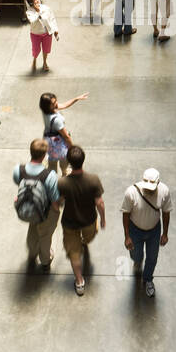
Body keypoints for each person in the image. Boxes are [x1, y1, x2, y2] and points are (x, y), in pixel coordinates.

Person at [58, 146, 106, 297]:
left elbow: (58, 202)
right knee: (88, 238)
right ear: (83, 160)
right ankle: (84, 242)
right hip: (89, 221)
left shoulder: (63, 183)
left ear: (69, 162)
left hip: (70, 223)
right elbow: (99, 203)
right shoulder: (93, 180)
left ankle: (79, 281)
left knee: (74, 254)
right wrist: (102, 219)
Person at [122, 167, 171, 298]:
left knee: (152, 257)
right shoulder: (131, 192)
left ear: (158, 182)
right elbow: (126, 214)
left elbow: (166, 213)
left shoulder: (164, 191)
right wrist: (127, 236)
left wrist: (165, 233)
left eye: (152, 187)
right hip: (135, 229)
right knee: (136, 255)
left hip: (154, 230)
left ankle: (148, 279)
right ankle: (137, 261)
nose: (149, 189)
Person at [14, 138, 61, 272]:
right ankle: (45, 261)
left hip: (28, 208)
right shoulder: (49, 176)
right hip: (45, 212)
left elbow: (18, 184)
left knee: (32, 230)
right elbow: (54, 200)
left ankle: (32, 253)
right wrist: (56, 213)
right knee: (45, 236)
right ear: (44, 155)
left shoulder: (19, 170)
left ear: (31, 152)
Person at [39, 91, 88, 175]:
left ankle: (52, 181)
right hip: (59, 145)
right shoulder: (56, 120)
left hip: (49, 143)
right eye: (54, 103)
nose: (56, 103)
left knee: (52, 167)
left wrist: (76, 99)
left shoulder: (45, 111)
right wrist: (72, 148)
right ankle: (64, 177)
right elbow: (66, 137)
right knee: (64, 164)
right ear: (48, 106)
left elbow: (64, 105)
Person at [25, 0, 60, 72]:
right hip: (35, 34)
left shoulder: (46, 8)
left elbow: (52, 19)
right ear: (31, 3)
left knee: (46, 49)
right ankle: (34, 60)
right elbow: (32, 21)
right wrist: (37, 12)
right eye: (34, 0)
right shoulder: (29, 12)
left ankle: (44, 62)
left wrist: (55, 29)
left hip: (47, 33)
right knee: (36, 50)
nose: (37, 1)